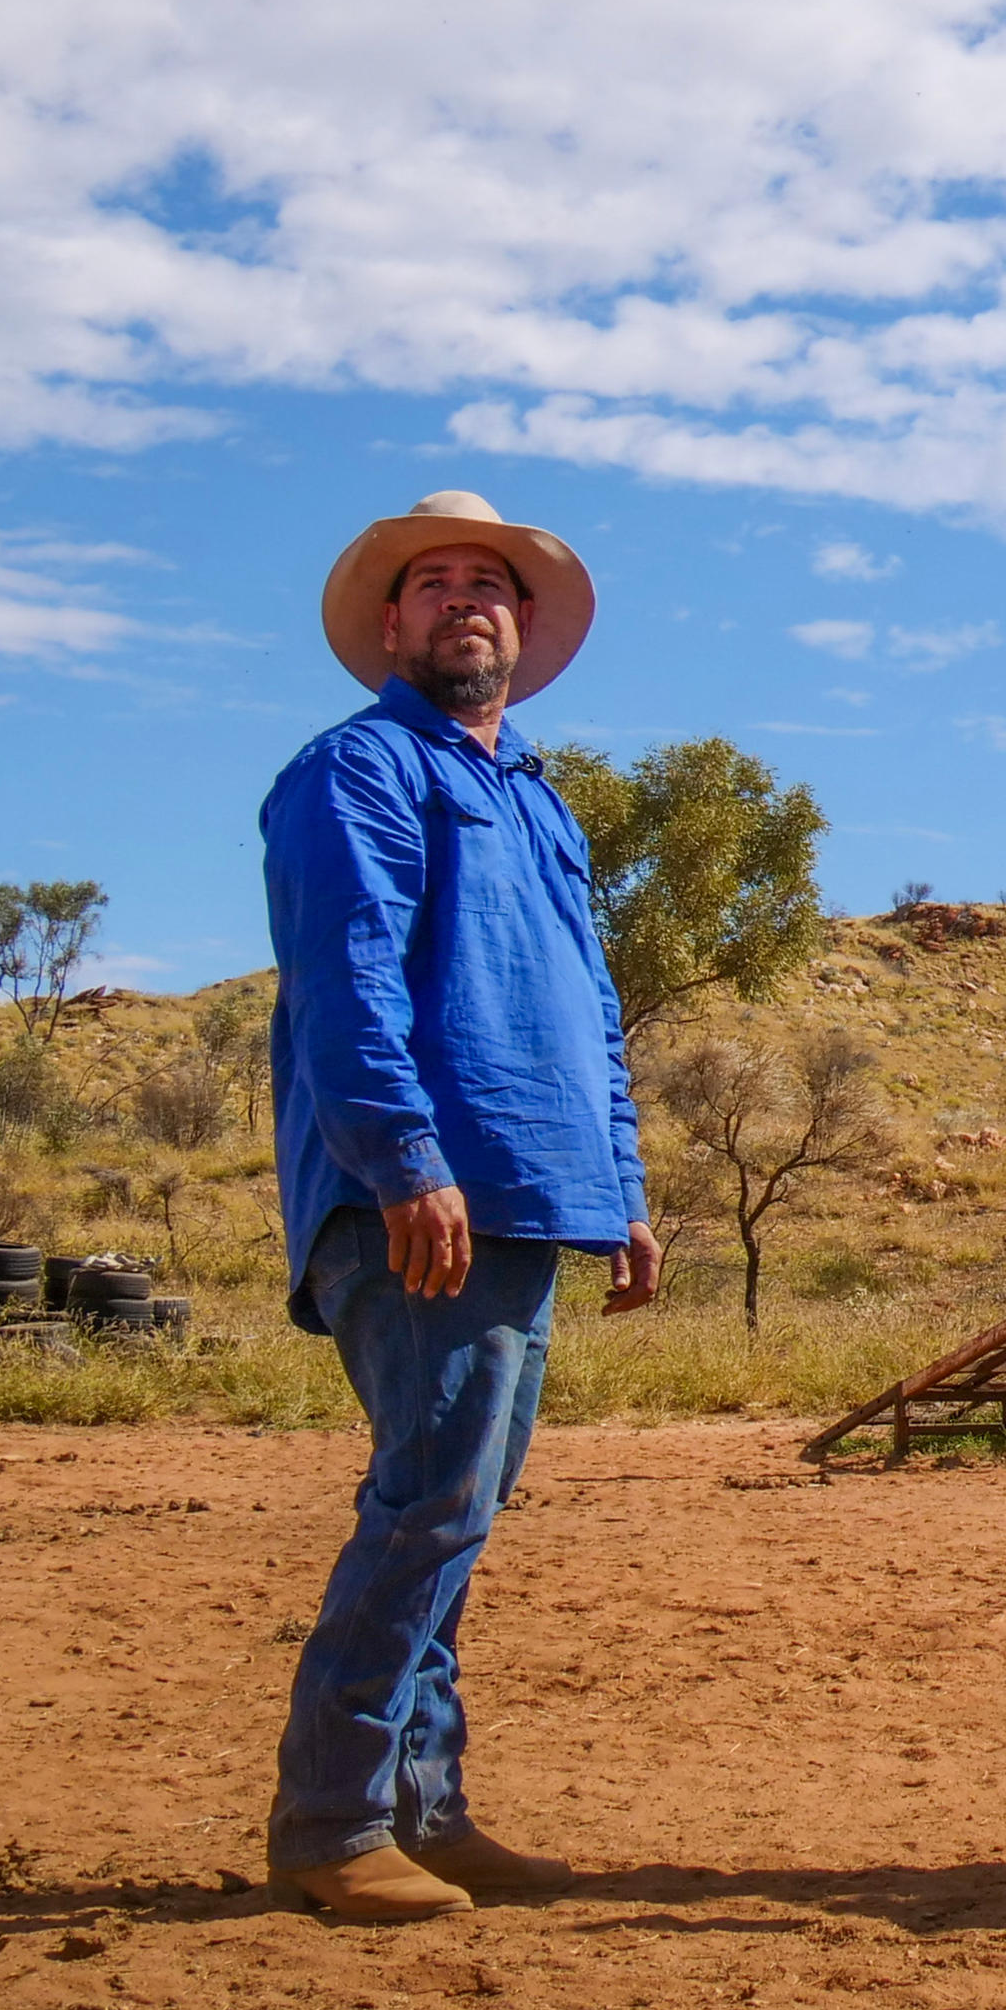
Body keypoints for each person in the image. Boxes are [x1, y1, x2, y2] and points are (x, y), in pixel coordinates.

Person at [256, 490, 664, 1924]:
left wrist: (622, 1188)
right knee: (428, 1502)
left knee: (459, 1510)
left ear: (525, 627)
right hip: (422, 1199)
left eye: (488, 586)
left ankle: (423, 1812)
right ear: (388, 625)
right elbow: (348, 979)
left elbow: (587, 1008)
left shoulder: (537, 799)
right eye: (432, 584)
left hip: (535, 1199)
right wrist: (403, 1161)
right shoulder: (358, 773)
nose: (463, 604)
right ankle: (331, 1823)